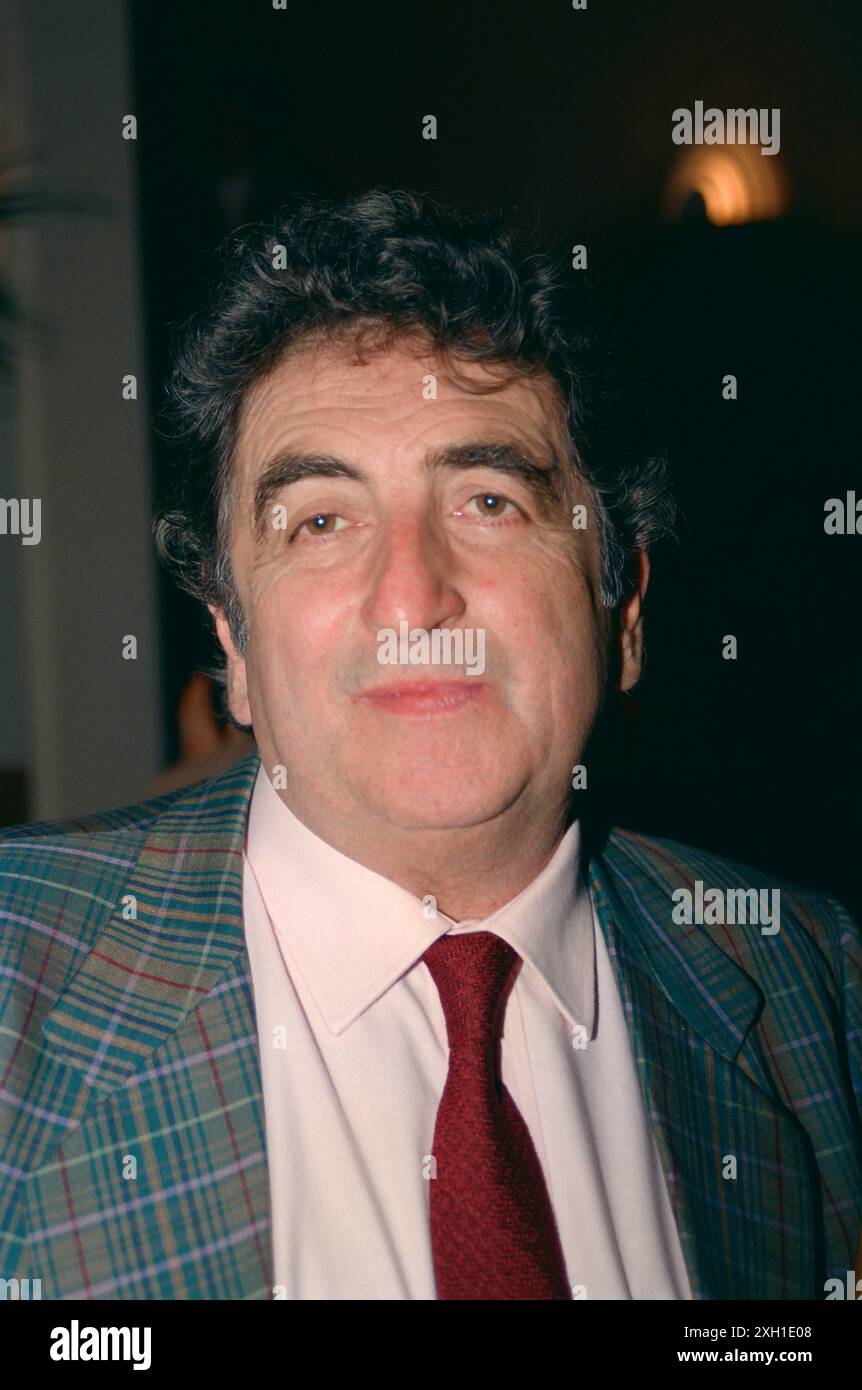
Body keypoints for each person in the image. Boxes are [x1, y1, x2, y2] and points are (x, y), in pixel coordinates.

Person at [1, 190, 859, 1301]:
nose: (411, 594)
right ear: (236, 645)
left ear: (625, 611)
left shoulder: (812, 981)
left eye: (489, 500)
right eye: (320, 519)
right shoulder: (17, 974)